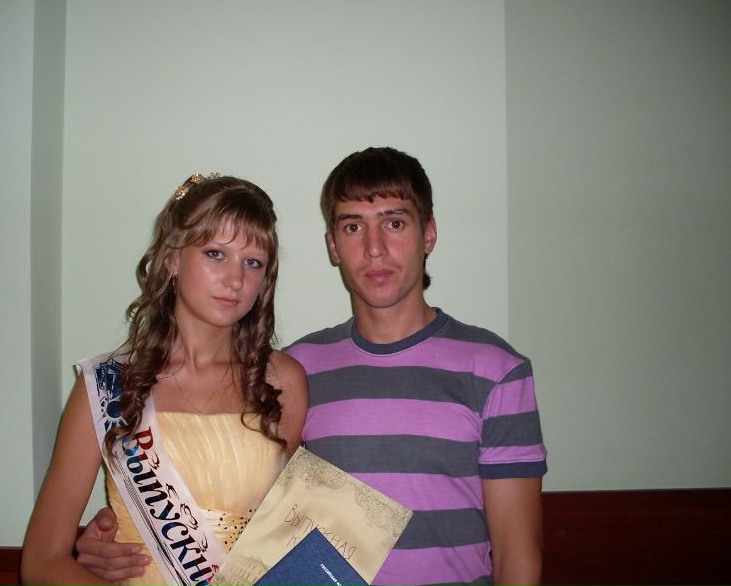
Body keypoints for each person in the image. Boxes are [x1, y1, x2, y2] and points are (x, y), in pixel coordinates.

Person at [75, 148, 547, 586]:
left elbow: (517, 558)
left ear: (429, 234)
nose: (375, 248)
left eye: (394, 222)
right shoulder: (293, 371)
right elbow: (250, 508)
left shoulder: (495, 372)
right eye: (353, 227)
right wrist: (107, 537)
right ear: (333, 245)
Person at [21, 175, 308, 586]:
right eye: (215, 254)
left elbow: (283, 536)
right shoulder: (108, 386)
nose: (235, 279)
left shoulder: (282, 381)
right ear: (172, 259)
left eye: (253, 262)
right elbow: (41, 563)